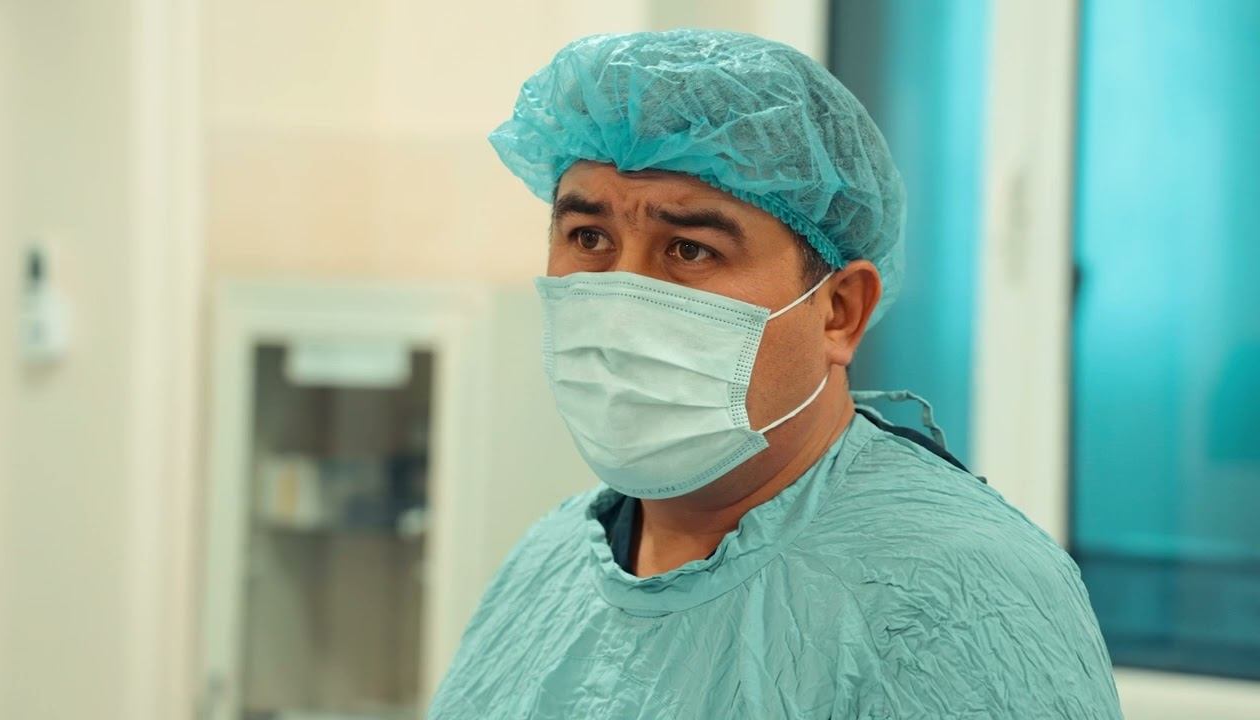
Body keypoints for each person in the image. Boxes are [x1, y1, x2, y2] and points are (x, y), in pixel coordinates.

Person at [427, 29, 1123, 719]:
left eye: (689, 249)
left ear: (839, 311)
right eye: (589, 238)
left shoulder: (956, 596)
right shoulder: (550, 561)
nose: (618, 302)